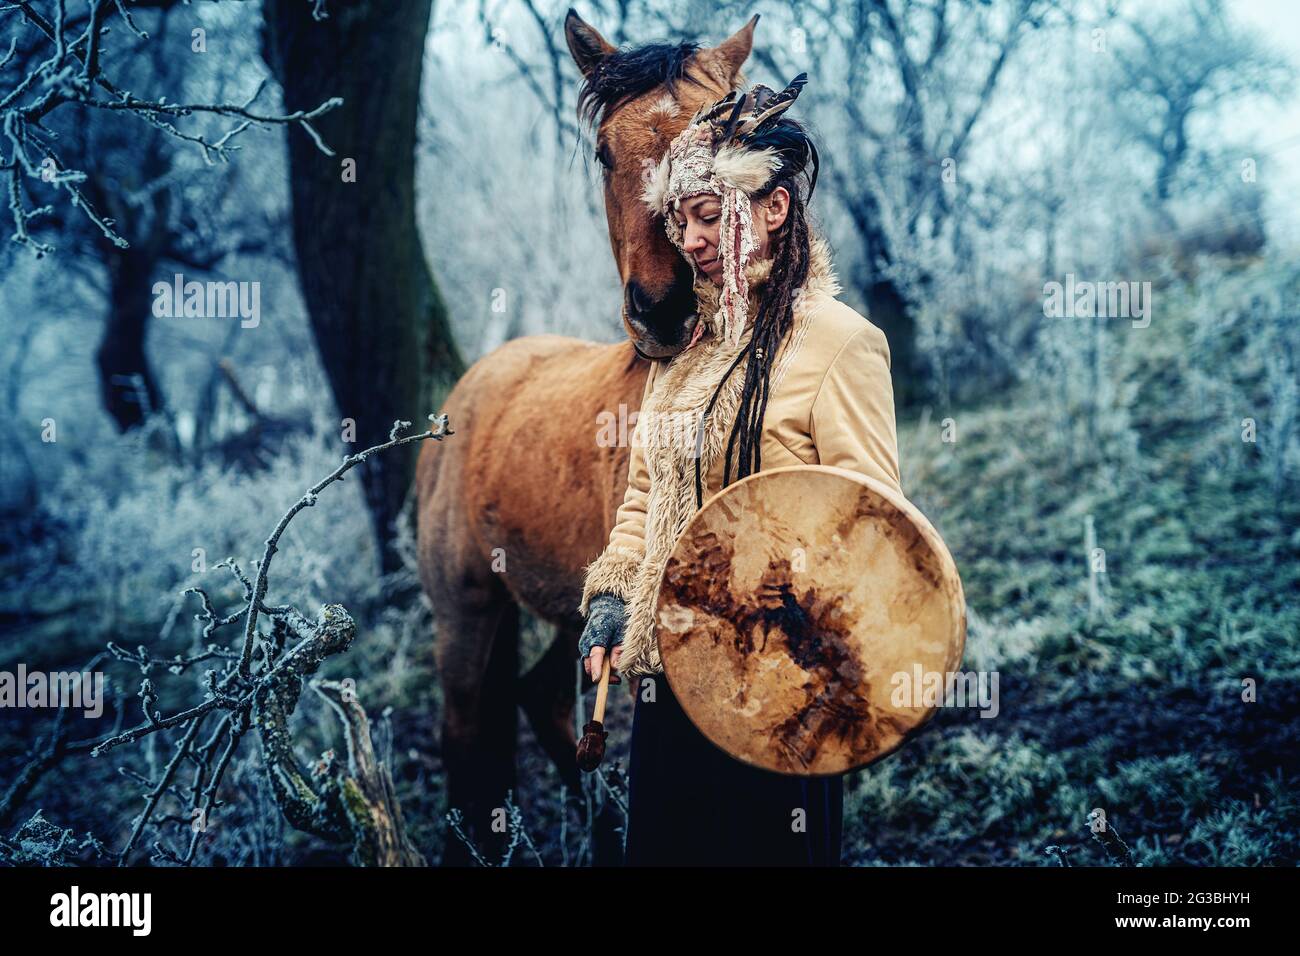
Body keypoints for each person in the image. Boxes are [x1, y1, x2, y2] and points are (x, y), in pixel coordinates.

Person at [577, 74, 905, 866]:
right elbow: (647, 493)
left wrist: (782, 594)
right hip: (668, 682)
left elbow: (872, 523)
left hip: (778, 686)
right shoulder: (684, 349)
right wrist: (615, 599)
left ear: (774, 208)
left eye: (707, 215)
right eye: (677, 218)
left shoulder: (838, 342)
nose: (687, 239)